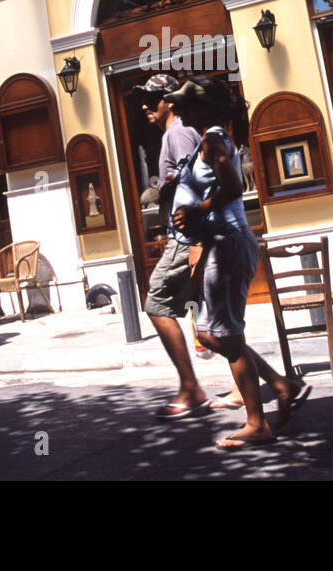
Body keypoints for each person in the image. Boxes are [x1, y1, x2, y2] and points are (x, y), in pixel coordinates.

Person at [167, 76, 307, 449]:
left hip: (229, 243)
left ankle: (257, 422)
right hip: (220, 244)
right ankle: (278, 385)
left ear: (203, 107)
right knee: (215, 333)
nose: (177, 109)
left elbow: (233, 187)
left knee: (222, 334)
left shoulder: (213, 139)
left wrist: (198, 210)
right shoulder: (207, 141)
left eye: (185, 103)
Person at [135, 73, 216, 420]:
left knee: (156, 301)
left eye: (152, 100)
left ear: (170, 101)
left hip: (187, 236)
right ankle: (268, 384)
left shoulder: (178, 132)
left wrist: (196, 240)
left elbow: (198, 185)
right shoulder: (176, 133)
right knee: (216, 325)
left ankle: (190, 388)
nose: (145, 106)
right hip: (187, 234)